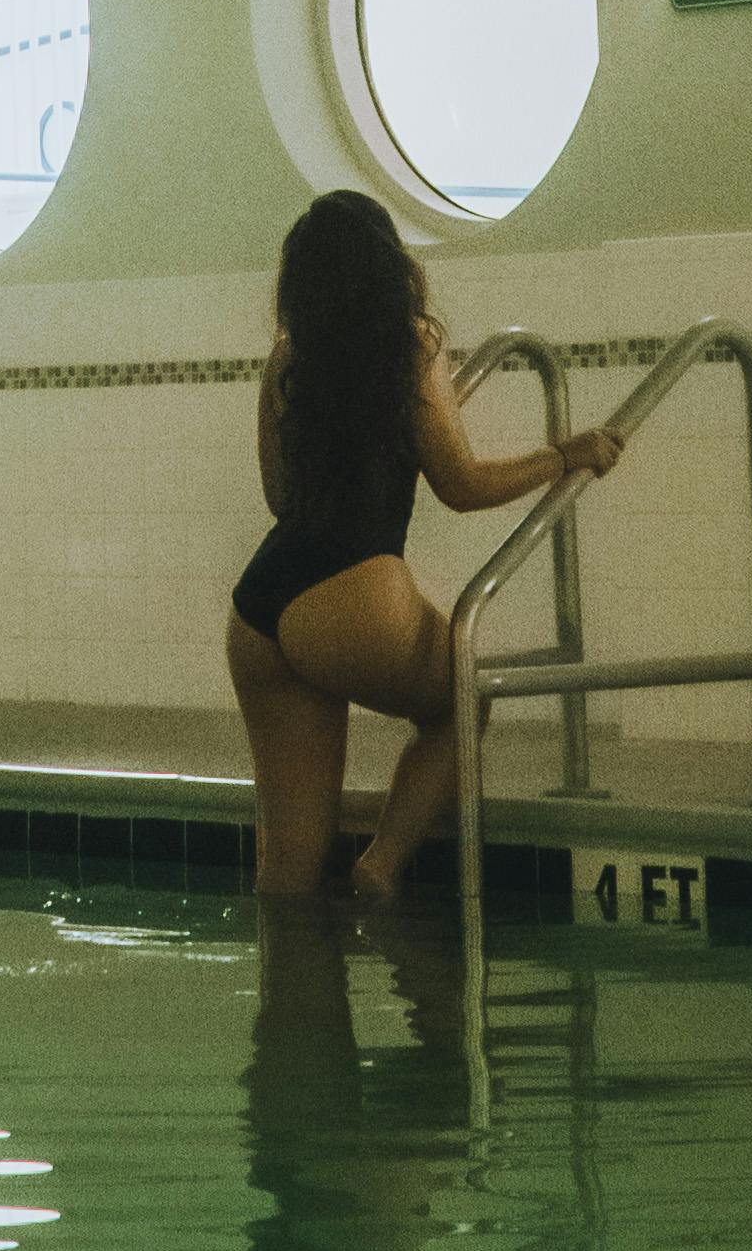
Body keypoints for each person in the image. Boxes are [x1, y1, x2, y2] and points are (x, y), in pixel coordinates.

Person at [227, 189, 617, 907]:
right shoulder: (412, 347)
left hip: (261, 607)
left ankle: (292, 997)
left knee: (286, 873)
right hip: (355, 596)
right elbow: (463, 484)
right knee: (463, 701)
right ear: (389, 266)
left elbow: (280, 496)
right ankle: (382, 863)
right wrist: (564, 456)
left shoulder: (286, 361)